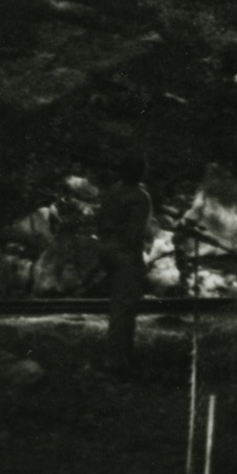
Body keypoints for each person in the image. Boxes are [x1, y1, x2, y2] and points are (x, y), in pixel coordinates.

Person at [96, 157, 153, 372]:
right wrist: (137, 260)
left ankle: (123, 356)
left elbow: (100, 220)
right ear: (140, 173)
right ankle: (117, 360)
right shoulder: (140, 197)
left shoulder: (114, 190)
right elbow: (134, 234)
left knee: (119, 305)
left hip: (106, 248)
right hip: (124, 254)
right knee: (124, 307)